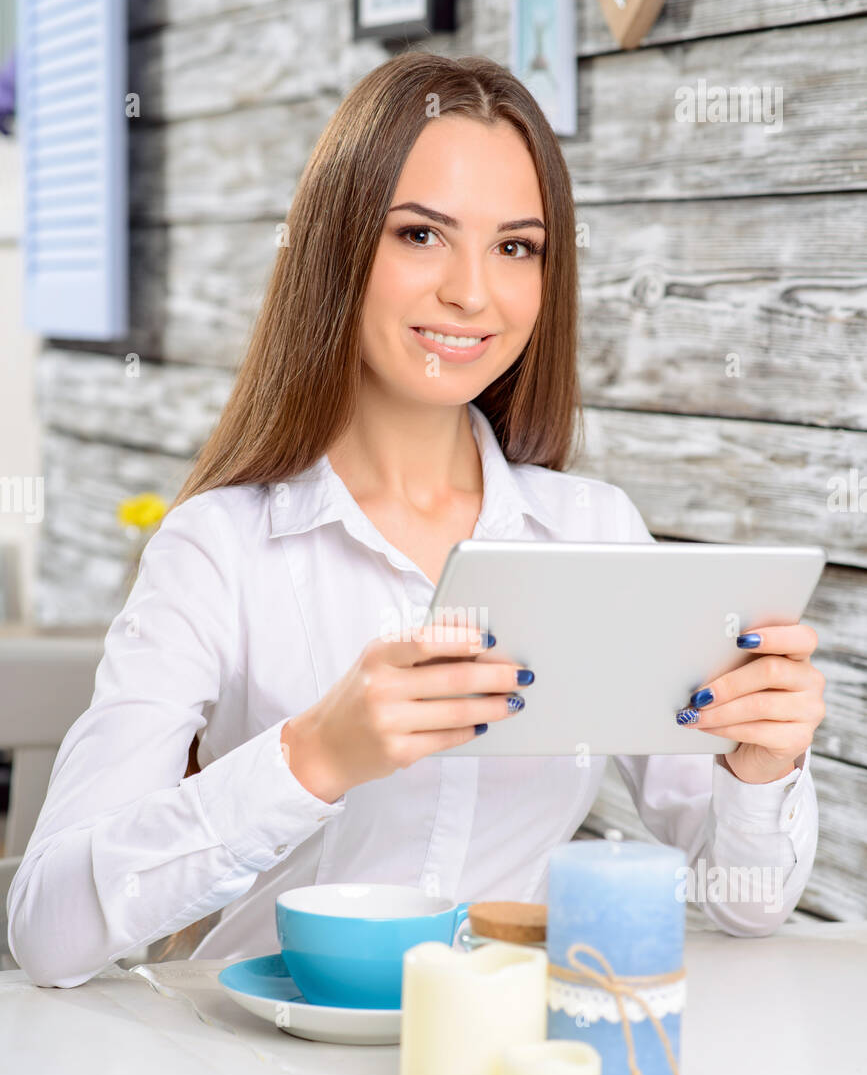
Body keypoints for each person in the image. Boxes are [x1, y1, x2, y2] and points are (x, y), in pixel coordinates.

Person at [7, 52, 824, 988]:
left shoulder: (592, 530)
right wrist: (312, 757)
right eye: (422, 235)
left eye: (517, 246)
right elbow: (49, 932)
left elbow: (748, 903)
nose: (471, 293)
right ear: (337, 248)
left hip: (509, 1060)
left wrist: (760, 767)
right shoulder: (218, 547)